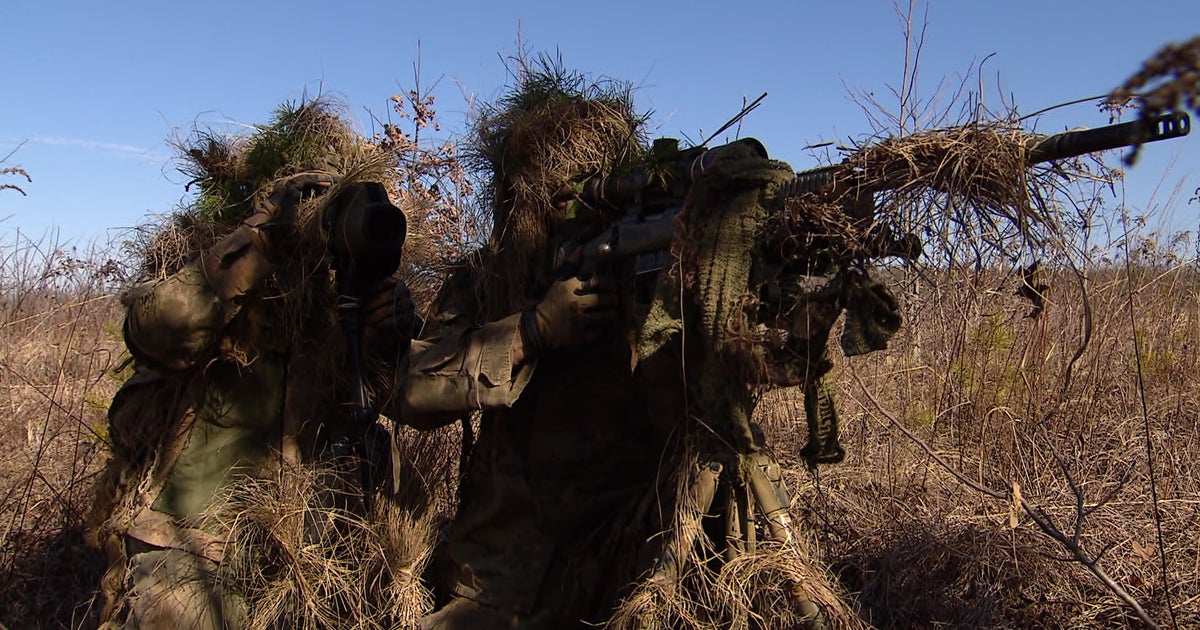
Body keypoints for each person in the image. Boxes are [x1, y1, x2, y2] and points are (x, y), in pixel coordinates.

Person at [90, 169, 415, 630]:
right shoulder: (222, 271)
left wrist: (385, 334)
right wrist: (261, 237)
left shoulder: (340, 302)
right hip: (194, 541)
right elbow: (155, 332)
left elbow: (376, 406)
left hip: (309, 548)